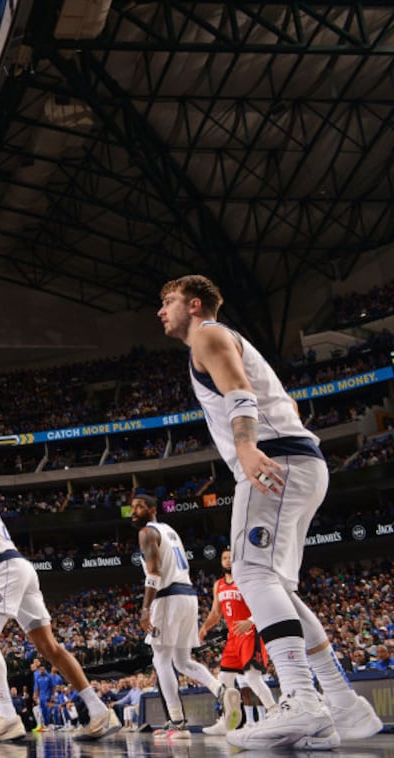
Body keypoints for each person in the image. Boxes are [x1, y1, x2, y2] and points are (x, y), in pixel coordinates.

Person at [158, 274, 384, 748]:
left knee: (251, 573)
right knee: (276, 587)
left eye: (168, 301)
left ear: (194, 304)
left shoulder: (208, 335)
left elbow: (240, 393)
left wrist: (245, 447)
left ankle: (302, 700)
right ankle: (343, 704)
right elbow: (282, 401)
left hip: (274, 460)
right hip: (298, 460)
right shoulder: (222, 340)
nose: (161, 311)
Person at [0, 459, 121, 742]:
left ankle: (7, 717)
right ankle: (100, 711)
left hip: (3, 569)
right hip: (21, 568)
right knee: (50, 648)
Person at [130, 494, 231, 741]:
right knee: (183, 661)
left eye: (139, 507)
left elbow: (154, 572)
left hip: (168, 598)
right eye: (132, 507)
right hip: (188, 595)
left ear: (152, 510)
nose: (133, 511)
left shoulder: (146, 532)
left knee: (161, 659)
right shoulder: (170, 531)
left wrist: (145, 609)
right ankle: (221, 690)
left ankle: (177, 722)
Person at [198, 548, 276, 734]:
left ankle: (275, 712)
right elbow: (216, 613)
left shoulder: (247, 580)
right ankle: (226, 721)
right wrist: (204, 627)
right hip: (233, 636)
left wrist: (251, 620)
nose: (227, 560)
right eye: (224, 558)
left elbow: (263, 603)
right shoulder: (218, 585)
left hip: (250, 632)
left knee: (252, 677)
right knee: (224, 679)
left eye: (230, 558)